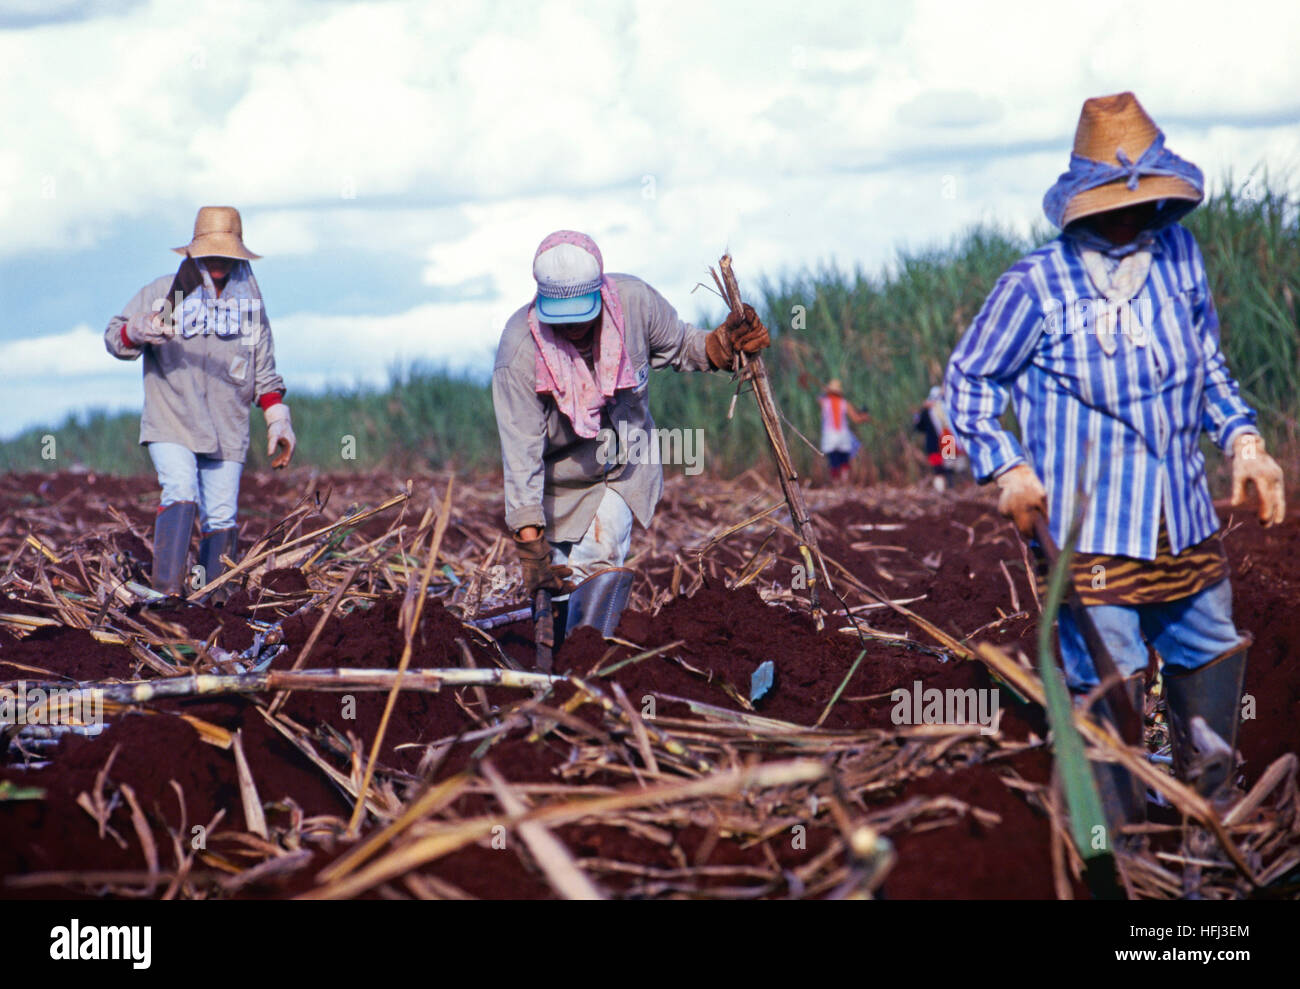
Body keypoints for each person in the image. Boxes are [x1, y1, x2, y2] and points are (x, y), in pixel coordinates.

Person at [944, 93, 1286, 825]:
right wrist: (1007, 465)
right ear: (1082, 203)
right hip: (1090, 529)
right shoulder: (1036, 283)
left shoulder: (1179, 259)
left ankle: (1208, 812)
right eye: (1113, 202)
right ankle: (1115, 837)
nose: (1130, 217)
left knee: (1212, 643)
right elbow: (969, 379)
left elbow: (1209, 367)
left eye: (1143, 201)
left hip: (1182, 517)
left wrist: (1245, 441)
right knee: (1112, 670)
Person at [493, 230, 769, 638]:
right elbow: (521, 456)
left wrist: (725, 344)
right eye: (561, 319)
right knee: (555, 586)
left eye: (580, 316)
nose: (571, 328)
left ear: (600, 294)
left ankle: (586, 661)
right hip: (557, 480)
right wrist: (530, 548)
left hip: (620, 467)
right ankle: (553, 643)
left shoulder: (635, 303)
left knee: (598, 562)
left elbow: (684, 346)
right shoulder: (519, 353)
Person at [105, 206, 296, 598]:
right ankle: (167, 595)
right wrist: (138, 328)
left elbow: (264, 369)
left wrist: (278, 419)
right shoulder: (167, 291)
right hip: (171, 417)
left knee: (222, 514)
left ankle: (212, 600)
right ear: (195, 252)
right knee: (180, 489)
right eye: (211, 253)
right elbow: (114, 338)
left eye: (227, 255)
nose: (219, 262)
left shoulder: (250, 305)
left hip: (228, 426)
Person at [819, 379, 869, 484]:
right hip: (839, 434)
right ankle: (842, 482)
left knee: (835, 460)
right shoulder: (843, 403)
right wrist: (864, 418)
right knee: (843, 459)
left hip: (833, 434)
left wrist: (826, 391)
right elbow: (856, 419)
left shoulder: (825, 402)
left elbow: (820, 397)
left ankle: (837, 482)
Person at [913, 384, 956, 492]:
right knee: (941, 468)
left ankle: (949, 490)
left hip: (944, 440)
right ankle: (944, 491)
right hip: (939, 442)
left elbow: (918, 427)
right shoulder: (929, 411)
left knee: (947, 467)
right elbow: (919, 426)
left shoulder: (943, 409)